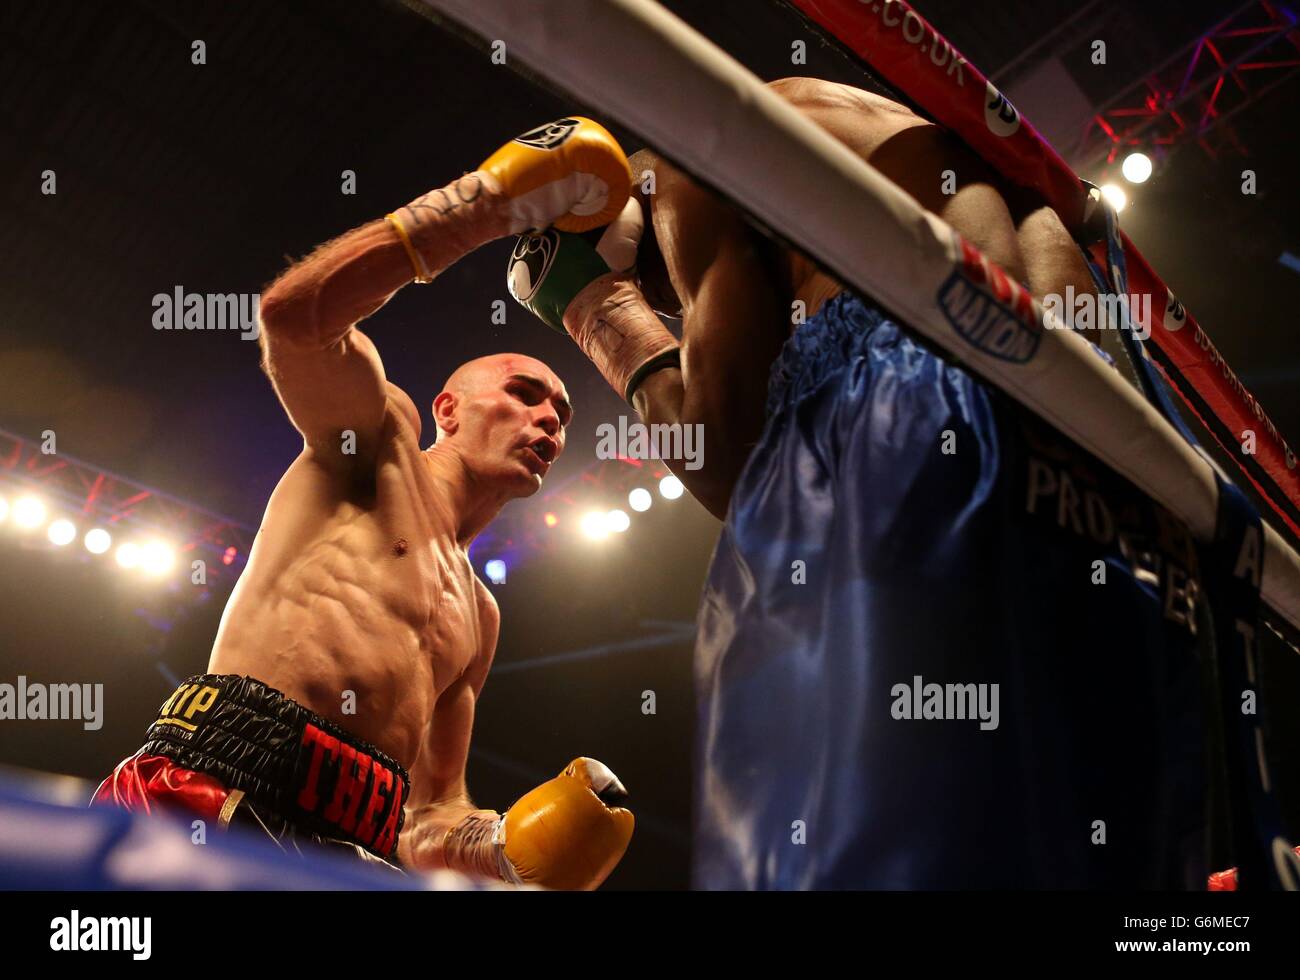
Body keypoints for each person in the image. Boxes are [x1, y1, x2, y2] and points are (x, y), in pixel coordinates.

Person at [511, 78, 1205, 888]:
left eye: (667, 298)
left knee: (861, 834)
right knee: (1115, 862)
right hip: (1123, 473)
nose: (676, 311)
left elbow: (734, 461)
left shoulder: (680, 159)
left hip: (919, 411)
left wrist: (602, 316)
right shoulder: (922, 144)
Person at [94, 117, 636, 889]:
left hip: (348, 849)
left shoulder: (479, 619)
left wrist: (508, 844)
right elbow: (296, 321)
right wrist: (484, 205)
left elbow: (428, 816)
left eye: (561, 414)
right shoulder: (380, 447)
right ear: (449, 408)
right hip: (206, 791)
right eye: (523, 393)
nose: (549, 417)